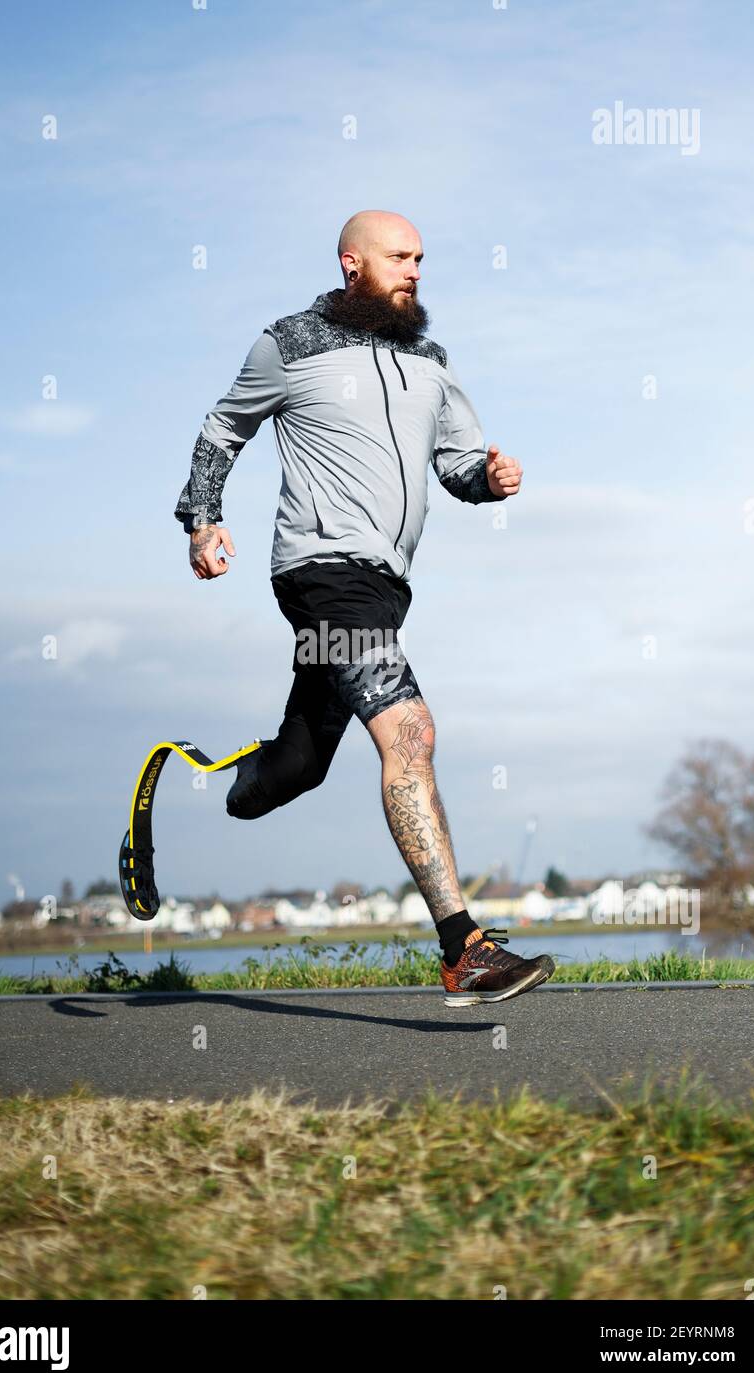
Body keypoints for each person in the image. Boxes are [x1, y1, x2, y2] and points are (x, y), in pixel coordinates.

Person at [174, 209, 554, 1006]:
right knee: (409, 733)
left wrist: (489, 478)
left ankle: (239, 782)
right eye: (397, 257)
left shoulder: (430, 357)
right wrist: (202, 520)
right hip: (318, 571)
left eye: (420, 258)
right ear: (353, 264)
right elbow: (220, 431)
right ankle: (464, 949)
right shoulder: (288, 343)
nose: (414, 269)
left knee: (305, 763)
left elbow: (455, 462)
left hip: (384, 585)